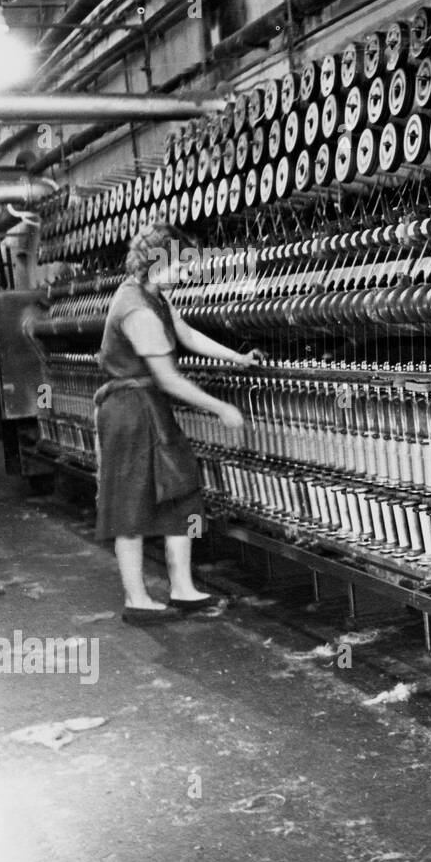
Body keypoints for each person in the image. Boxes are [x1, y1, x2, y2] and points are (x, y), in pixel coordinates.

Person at [94, 221, 258, 622]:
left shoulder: (155, 297)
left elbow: (185, 334)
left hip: (148, 407)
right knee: (130, 505)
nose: (188, 273)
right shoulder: (136, 309)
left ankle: (182, 588)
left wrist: (237, 358)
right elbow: (168, 378)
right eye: (183, 265)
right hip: (130, 413)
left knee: (181, 493)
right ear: (158, 261)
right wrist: (219, 407)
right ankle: (137, 600)